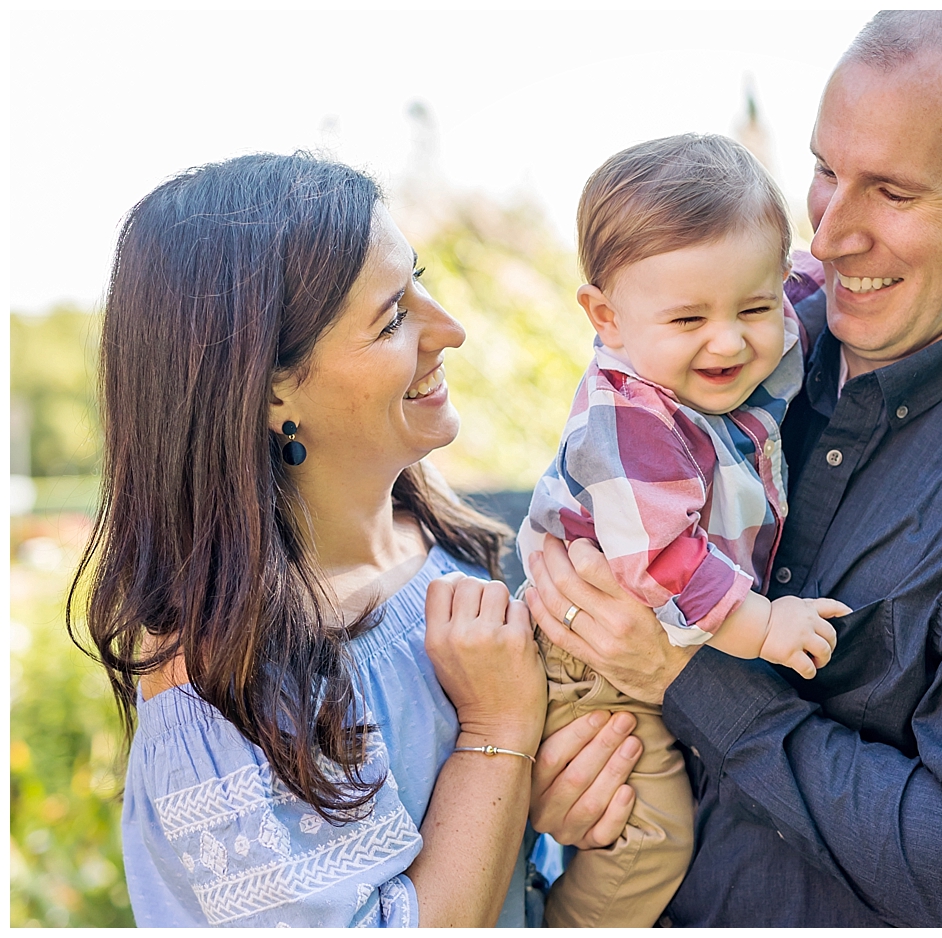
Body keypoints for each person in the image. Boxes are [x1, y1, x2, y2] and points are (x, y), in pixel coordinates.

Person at [524, 10, 942, 927]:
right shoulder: (741, 337)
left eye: (892, 193)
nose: (826, 237)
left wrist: (688, 676)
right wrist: (565, 790)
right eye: (825, 172)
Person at [69, 152, 634, 927]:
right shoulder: (218, 692)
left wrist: (541, 813)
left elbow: (501, 852)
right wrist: (498, 733)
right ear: (270, 390)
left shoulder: (452, 552)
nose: (450, 329)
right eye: (393, 317)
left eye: (419, 279)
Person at [516, 134, 847, 926]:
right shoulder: (628, 415)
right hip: (593, 645)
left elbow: (807, 282)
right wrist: (764, 625)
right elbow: (662, 562)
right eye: (690, 317)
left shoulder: (721, 336)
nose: (729, 340)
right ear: (607, 317)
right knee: (647, 839)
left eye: (753, 308)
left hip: (667, 629)